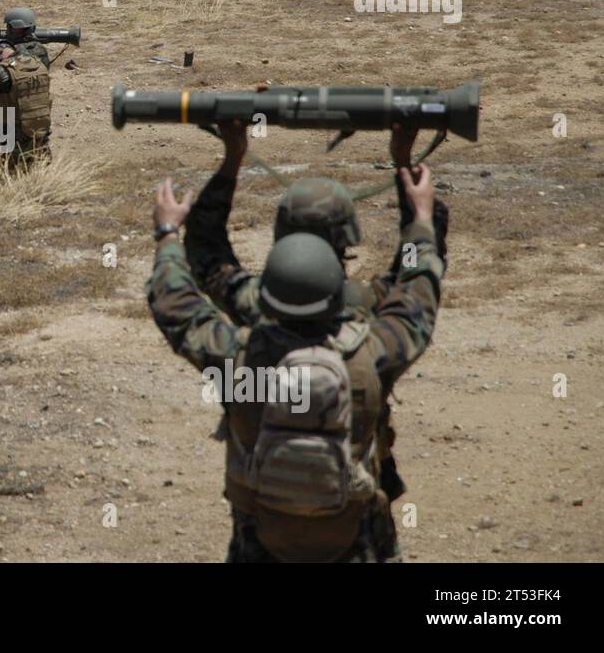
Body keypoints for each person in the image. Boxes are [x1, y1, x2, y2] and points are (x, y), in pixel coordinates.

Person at [146, 158, 444, 562]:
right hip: (354, 541)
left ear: (265, 294)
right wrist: (422, 219)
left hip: (262, 544)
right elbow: (416, 290)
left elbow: (176, 305)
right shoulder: (372, 353)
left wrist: (167, 234)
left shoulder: (238, 361)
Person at [0, 38, 52, 174]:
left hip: (15, 135)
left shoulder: (2, 71)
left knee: (12, 175)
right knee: (39, 171)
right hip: (41, 130)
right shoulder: (38, 64)